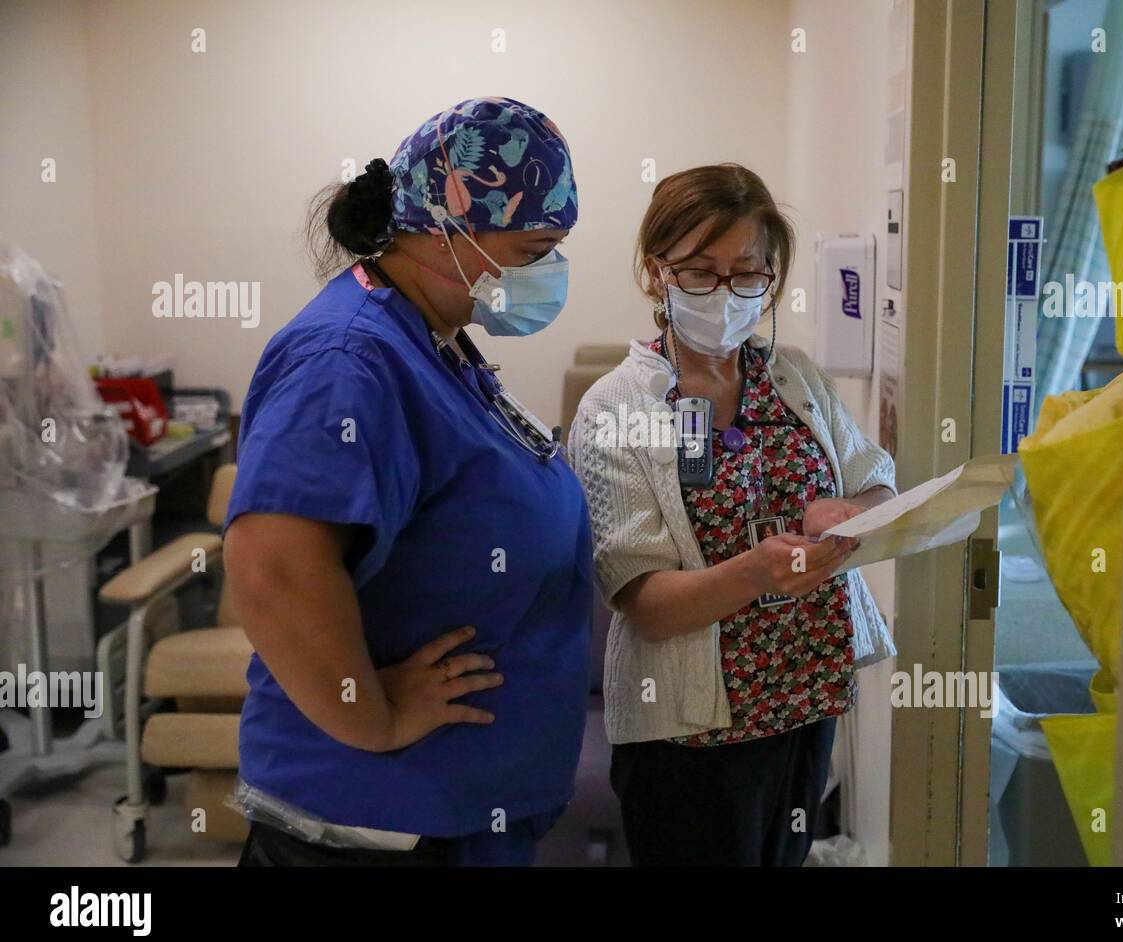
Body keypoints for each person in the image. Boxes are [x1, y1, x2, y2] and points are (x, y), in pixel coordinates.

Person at [224, 97, 591, 866]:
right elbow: (271, 567)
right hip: (375, 823)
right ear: (444, 232)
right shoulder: (348, 360)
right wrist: (375, 716)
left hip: (453, 806)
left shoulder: (432, 341)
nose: (547, 274)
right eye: (532, 251)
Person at [568, 163, 897, 866]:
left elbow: (879, 485)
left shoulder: (795, 376)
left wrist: (851, 508)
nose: (725, 293)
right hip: (687, 734)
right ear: (657, 272)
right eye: (700, 272)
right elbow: (643, 601)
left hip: (806, 703)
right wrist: (757, 571)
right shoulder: (617, 407)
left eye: (748, 274)